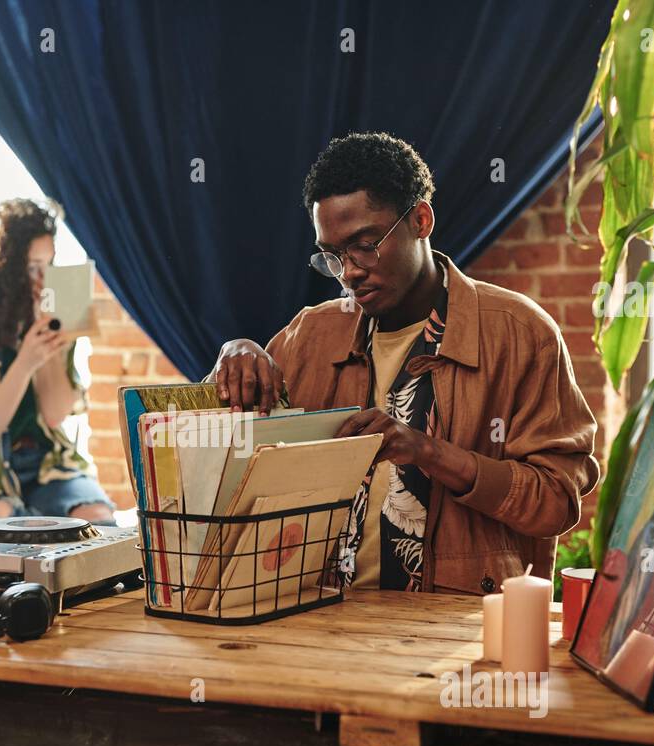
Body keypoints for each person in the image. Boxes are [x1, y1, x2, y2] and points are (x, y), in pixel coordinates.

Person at [210, 132, 600, 594]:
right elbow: (219, 449)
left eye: (366, 244)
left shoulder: (521, 334)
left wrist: (429, 453)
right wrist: (234, 352)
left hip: (454, 633)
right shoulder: (311, 333)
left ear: (420, 219)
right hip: (317, 620)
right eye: (332, 256)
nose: (350, 271)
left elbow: (554, 503)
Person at [0, 198, 115, 524]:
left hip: (48, 466)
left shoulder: (58, 322)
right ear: (5, 270)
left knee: (96, 518)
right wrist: (25, 362)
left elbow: (56, 413)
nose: (42, 279)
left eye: (50, 265)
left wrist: (45, 341)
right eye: (33, 267)